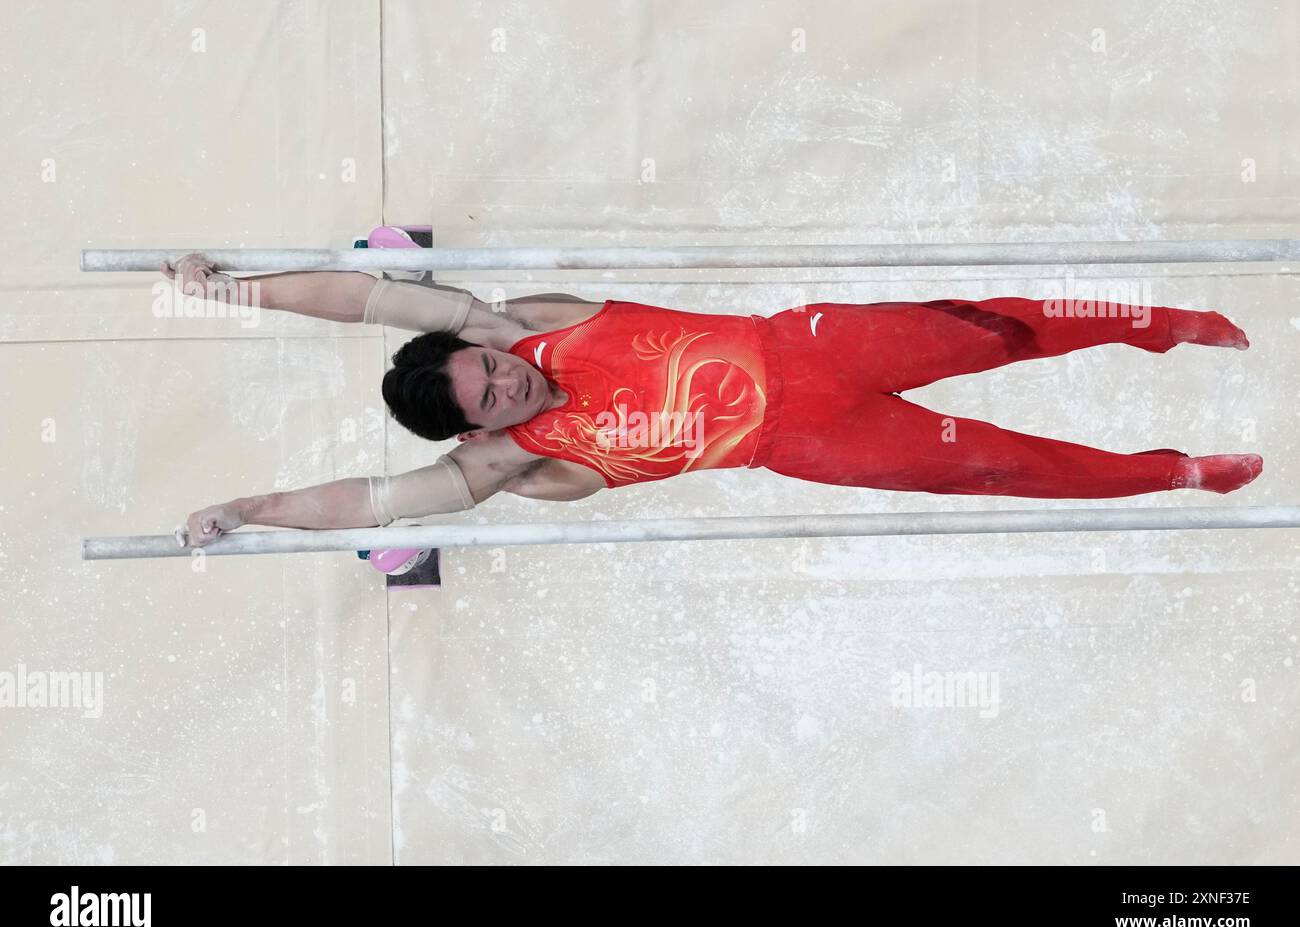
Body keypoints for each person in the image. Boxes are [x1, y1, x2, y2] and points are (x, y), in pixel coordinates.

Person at [164, 252, 1263, 548]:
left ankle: (1150, 322)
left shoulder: (520, 322)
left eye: (485, 365)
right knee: (989, 462)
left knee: (989, 331)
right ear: (482, 430)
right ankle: (1166, 471)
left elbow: (365, 297)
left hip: (806, 343)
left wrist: (229, 293)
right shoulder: (513, 463)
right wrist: (250, 507)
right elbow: (372, 502)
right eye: (487, 398)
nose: (506, 380)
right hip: (806, 436)